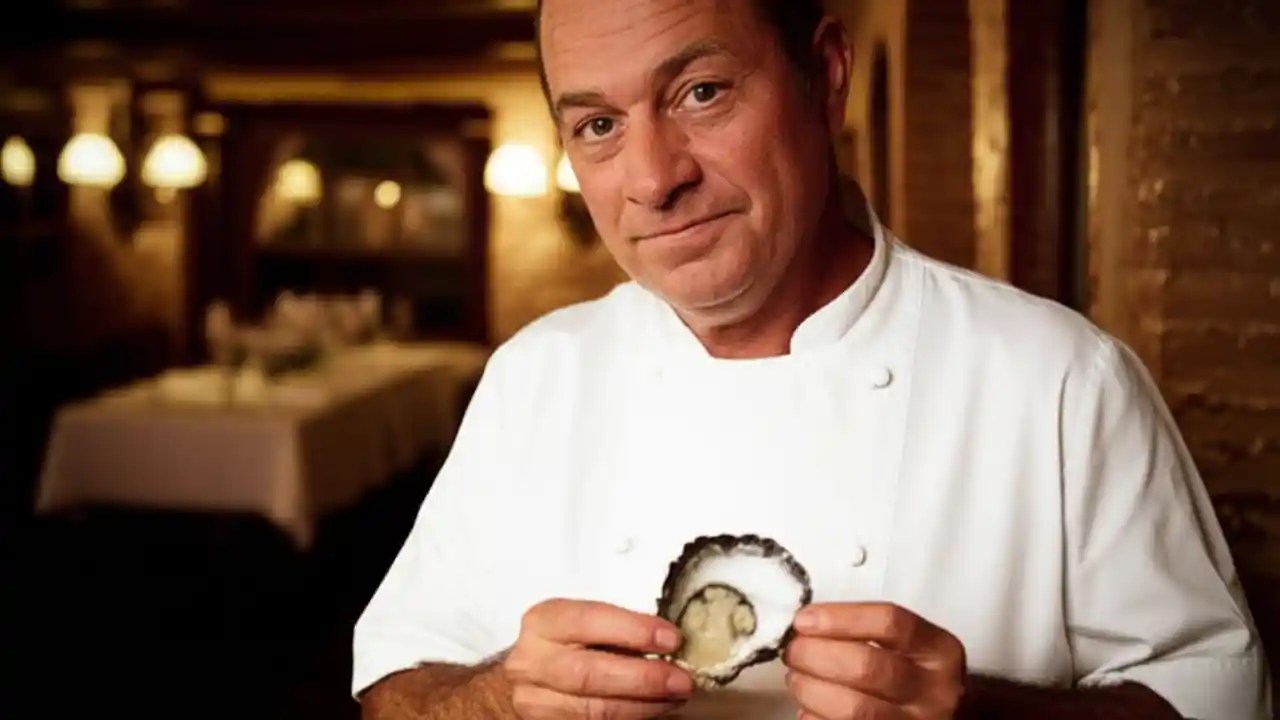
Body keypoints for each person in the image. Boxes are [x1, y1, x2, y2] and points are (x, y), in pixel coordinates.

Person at [352, 0, 1272, 717]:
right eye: (598, 126)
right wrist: (502, 701)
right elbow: (393, 685)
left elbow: (1220, 699)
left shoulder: (1062, 379)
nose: (651, 178)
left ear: (826, 79)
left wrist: (983, 715)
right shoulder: (534, 378)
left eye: (700, 93)